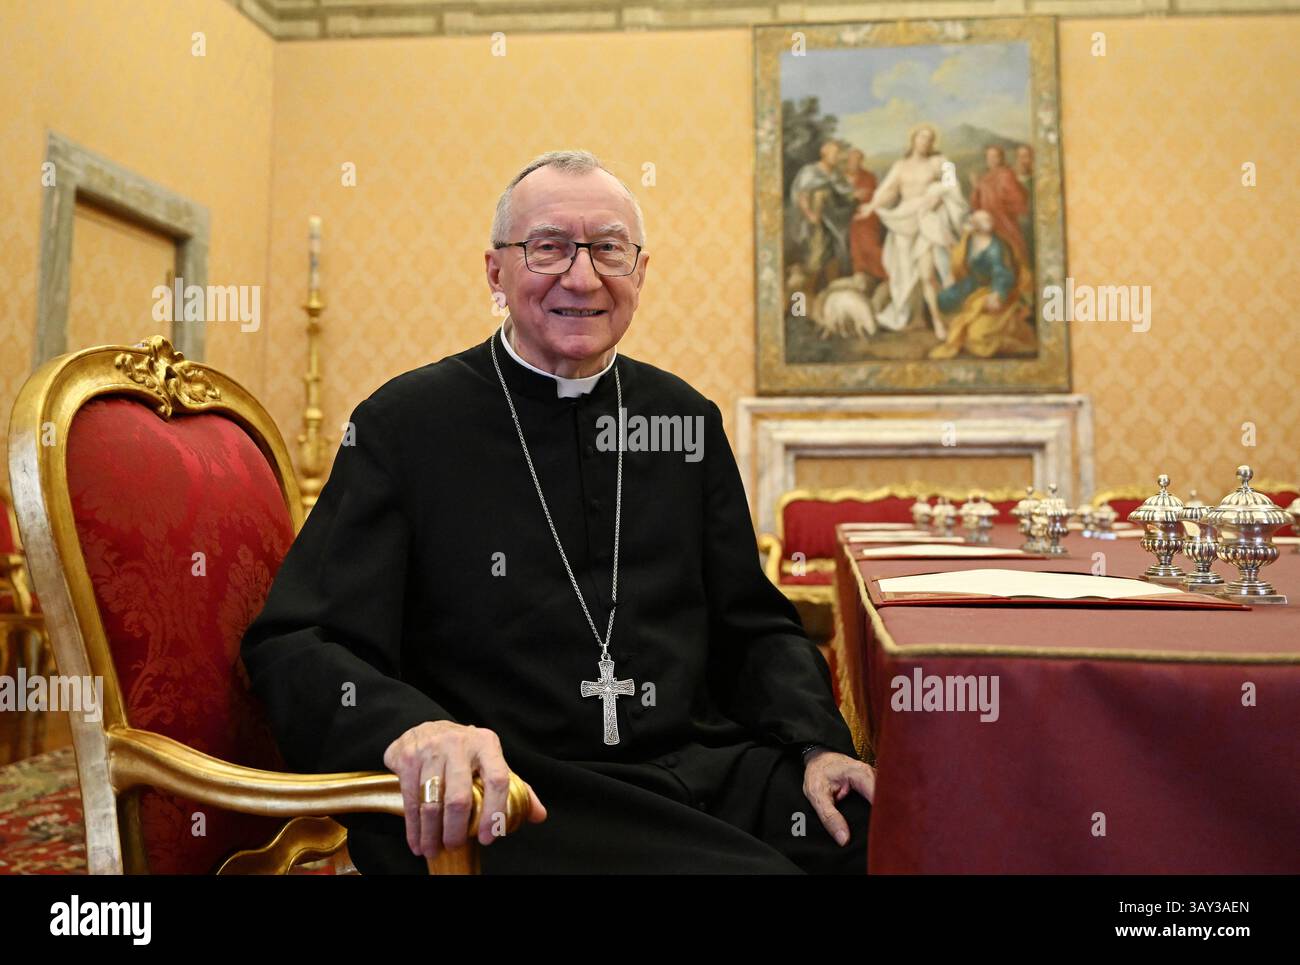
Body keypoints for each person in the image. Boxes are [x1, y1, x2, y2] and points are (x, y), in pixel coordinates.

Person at [241, 149, 874, 874]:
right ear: (495, 271)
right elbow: (297, 638)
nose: (582, 276)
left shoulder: (683, 420)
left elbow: (752, 623)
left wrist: (816, 742)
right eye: (548, 247)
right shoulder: (405, 425)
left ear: (639, 272)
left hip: (703, 767)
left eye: (608, 248)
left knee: (885, 834)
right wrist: (413, 730)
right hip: (522, 792)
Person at [852, 124, 968, 340]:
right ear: (913, 140)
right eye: (921, 138)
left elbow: (953, 185)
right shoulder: (900, 165)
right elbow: (888, 191)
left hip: (927, 220)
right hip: (904, 221)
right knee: (905, 274)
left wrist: (938, 194)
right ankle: (915, 318)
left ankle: (938, 321)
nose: (925, 142)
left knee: (927, 274)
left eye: (929, 139)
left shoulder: (940, 161)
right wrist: (871, 207)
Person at [928, 209, 1037, 360]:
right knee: (943, 300)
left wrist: (998, 293)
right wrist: (952, 276)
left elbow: (1003, 273)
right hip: (972, 285)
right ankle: (959, 328)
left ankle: (1000, 331)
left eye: (988, 219)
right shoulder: (969, 240)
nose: (989, 222)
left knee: (977, 334)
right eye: (983, 220)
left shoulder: (996, 247)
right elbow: (959, 261)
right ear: (974, 224)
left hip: (990, 290)